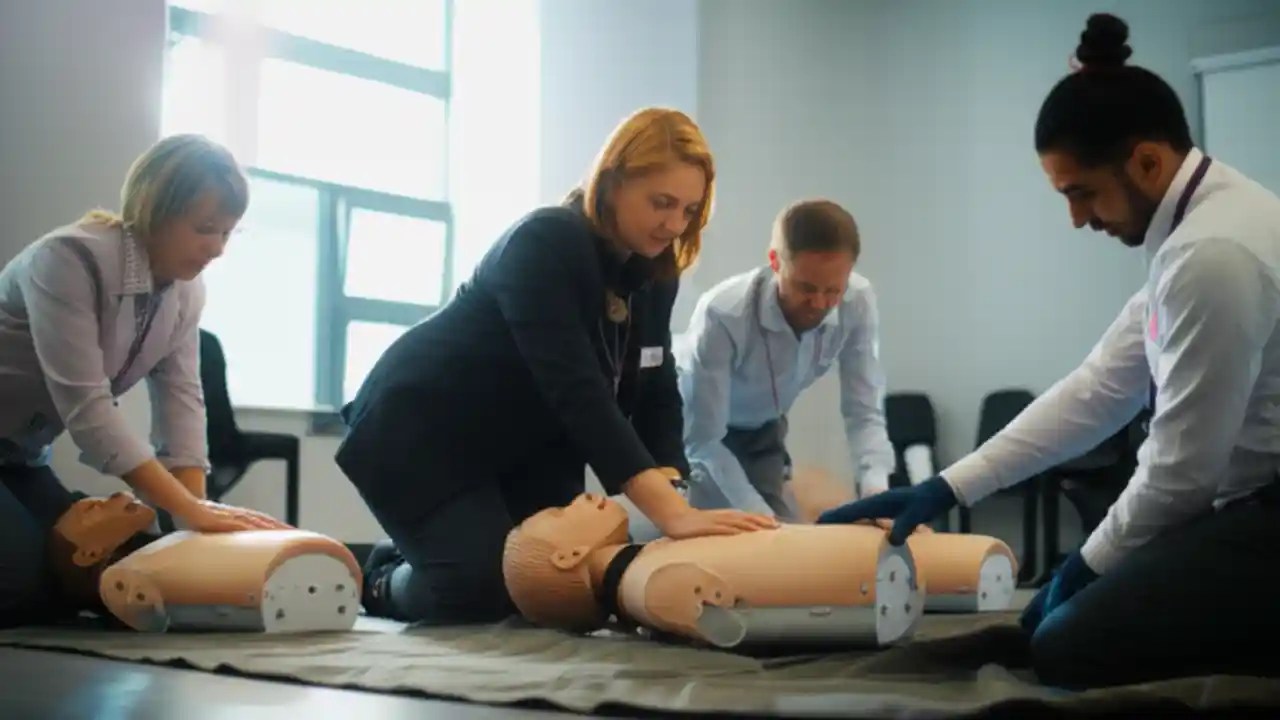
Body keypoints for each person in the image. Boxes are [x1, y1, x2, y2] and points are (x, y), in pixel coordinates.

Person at [817, 13, 1280, 689]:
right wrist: (949, 486)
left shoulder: (1214, 254)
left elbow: (1182, 473)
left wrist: (1084, 565)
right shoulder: (1195, 232)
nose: (1077, 219)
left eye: (1082, 193)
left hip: (1264, 515)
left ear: (1148, 161)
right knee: (1071, 625)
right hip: (1242, 509)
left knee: (1068, 647)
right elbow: (1097, 389)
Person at [336, 108, 778, 626]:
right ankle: (383, 576)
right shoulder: (545, 241)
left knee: (549, 581)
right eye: (661, 203)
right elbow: (578, 390)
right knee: (480, 590)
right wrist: (672, 516)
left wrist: (674, 486)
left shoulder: (656, 273)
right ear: (612, 181)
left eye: (688, 210)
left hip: (526, 443)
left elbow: (658, 388)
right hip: (421, 429)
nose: (674, 224)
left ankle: (430, 547)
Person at [0, 134, 289, 627]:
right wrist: (190, 511)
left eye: (227, 233)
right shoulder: (68, 259)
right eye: (204, 229)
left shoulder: (186, 291)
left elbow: (182, 404)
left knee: (127, 566)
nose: (216, 249)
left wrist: (194, 519)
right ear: (156, 209)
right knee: (20, 592)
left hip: (19, 457)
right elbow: (89, 409)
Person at [674, 199, 894, 520]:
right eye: (806, 287)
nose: (819, 303)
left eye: (833, 289)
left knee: (784, 538)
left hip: (766, 428)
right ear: (775, 261)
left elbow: (864, 411)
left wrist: (877, 494)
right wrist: (762, 520)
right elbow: (704, 439)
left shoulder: (857, 301)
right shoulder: (723, 313)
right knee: (737, 538)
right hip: (693, 428)